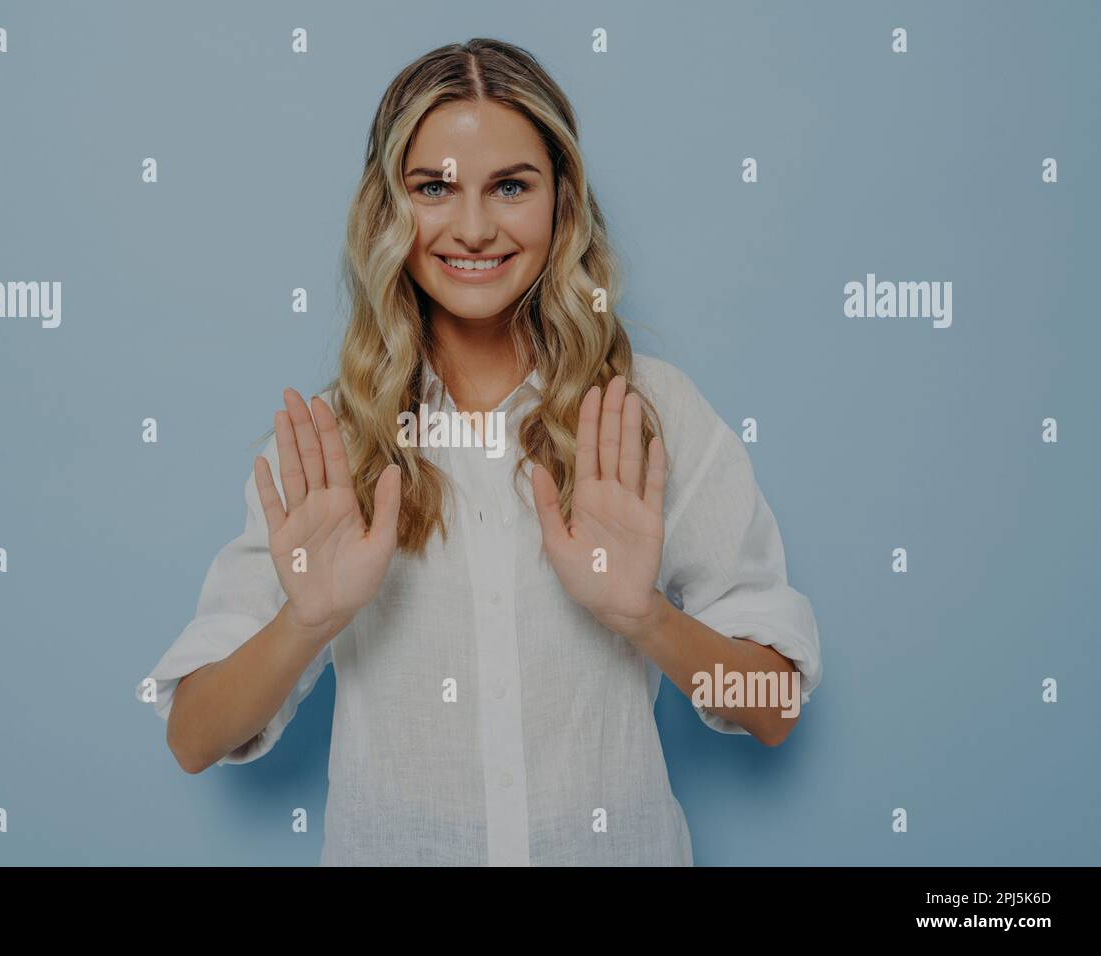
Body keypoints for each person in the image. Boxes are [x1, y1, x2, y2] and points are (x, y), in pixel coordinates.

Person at [137, 37, 822, 866]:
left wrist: (644, 616)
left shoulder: (650, 412)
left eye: (510, 186)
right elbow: (193, 737)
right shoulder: (334, 442)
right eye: (433, 188)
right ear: (388, 209)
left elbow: (774, 708)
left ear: (562, 204)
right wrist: (306, 620)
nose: (472, 227)